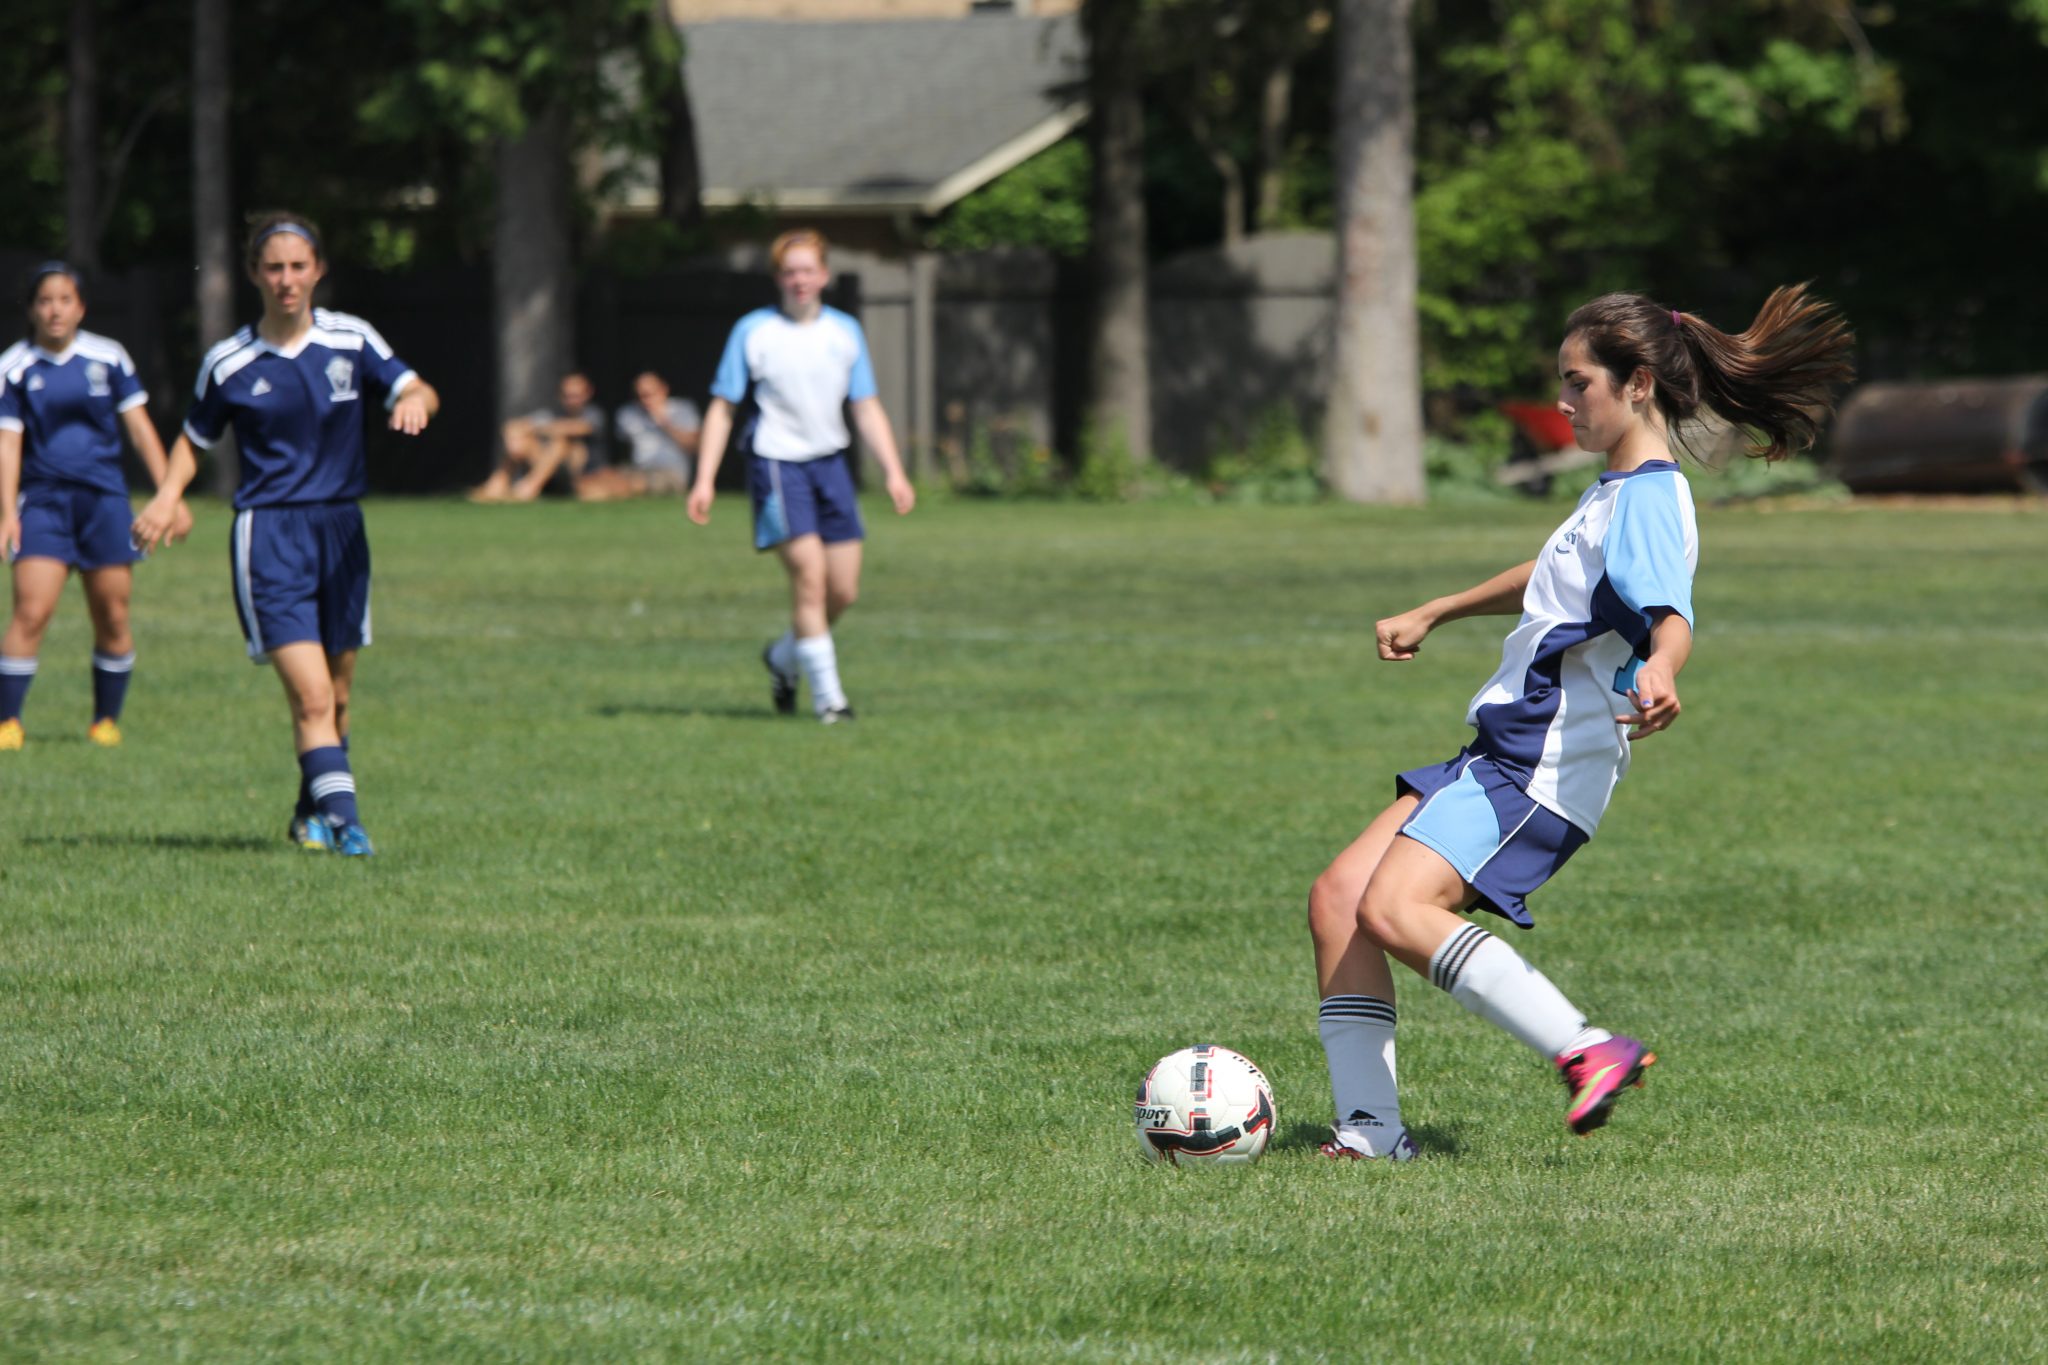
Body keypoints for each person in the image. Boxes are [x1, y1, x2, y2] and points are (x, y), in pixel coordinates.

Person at [1308, 285, 1854, 1160]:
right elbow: (1553, 574)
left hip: (1542, 763)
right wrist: (1439, 609)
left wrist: (1664, 666)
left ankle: (1585, 1046)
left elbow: (1668, 611)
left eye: (1577, 382)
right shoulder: (1617, 492)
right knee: (1340, 898)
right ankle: (1370, 1131)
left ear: (1637, 384)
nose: (1563, 401)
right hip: (1506, 748)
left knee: (1396, 906)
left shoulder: (1647, 499)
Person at [132, 211, 440, 856]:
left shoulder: (351, 339)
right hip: (269, 535)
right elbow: (193, 440)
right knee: (313, 695)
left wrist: (415, 400)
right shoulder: (230, 362)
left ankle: (310, 814)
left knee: (338, 697)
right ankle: (350, 827)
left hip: (342, 532)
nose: (287, 279)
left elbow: (416, 386)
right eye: (273, 267)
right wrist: (167, 496)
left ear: (318, 270)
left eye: (299, 266)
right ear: (253, 274)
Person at [687, 229, 915, 723]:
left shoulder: (845, 332)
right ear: (778, 278)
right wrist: (704, 480)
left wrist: (894, 472)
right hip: (776, 466)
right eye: (790, 271)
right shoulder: (753, 331)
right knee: (810, 581)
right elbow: (723, 409)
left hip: (830, 466)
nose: (800, 280)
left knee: (843, 592)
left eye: (808, 270)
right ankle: (830, 702)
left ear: (824, 275)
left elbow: (866, 406)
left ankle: (783, 658)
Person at [0, 262, 191, 750]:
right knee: (31, 612)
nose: (55, 310)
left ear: (81, 307)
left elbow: (140, 429)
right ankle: (7, 723)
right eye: (45, 301)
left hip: (104, 503)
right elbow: (8, 444)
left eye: (65, 300)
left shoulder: (108, 357)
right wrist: (6, 512)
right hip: (43, 505)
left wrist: (169, 494)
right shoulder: (14, 366)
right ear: (31, 309)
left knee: (112, 615)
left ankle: (105, 721)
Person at [470, 372, 605, 502]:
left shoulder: (593, 414)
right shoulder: (552, 414)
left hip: (579, 476)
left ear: (588, 393)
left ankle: (527, 489)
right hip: (547, 469)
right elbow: (513, 427)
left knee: (561, 442)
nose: (571, 401)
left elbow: (578, 428)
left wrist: (539, 428)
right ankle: (496, 486)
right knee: (522, 441)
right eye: (567, 396)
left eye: (576, 396)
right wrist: (517, 438)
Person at [577, 370, 700, 501]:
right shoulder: (628, 413)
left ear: (664, 389)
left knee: (629, 484)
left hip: (670, 473)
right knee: (594, 479)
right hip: (638, 469)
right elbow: (624, 450)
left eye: (649, 394)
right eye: (640, 395)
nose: (645, 400)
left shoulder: (682, 409)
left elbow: (693, 446)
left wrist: (664, 422)